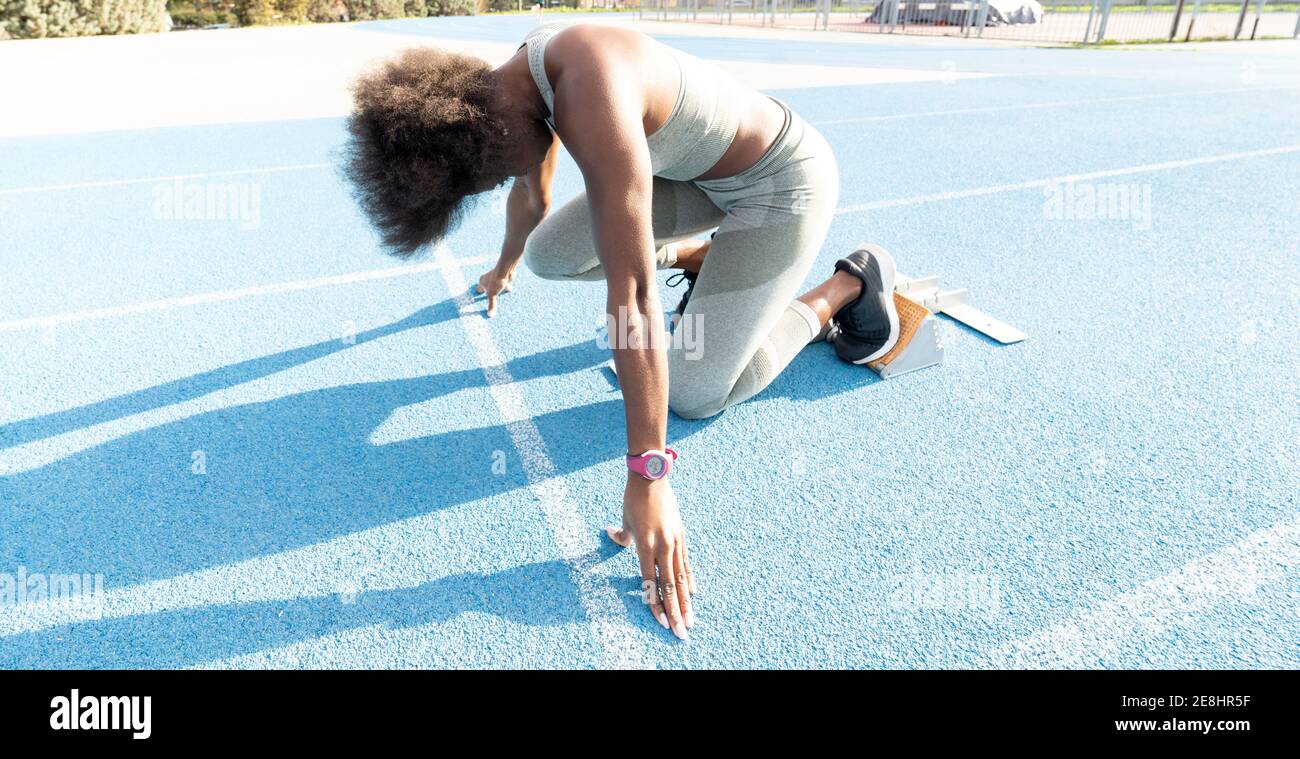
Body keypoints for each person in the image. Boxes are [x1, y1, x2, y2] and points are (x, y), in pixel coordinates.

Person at [343, 23, 920, 641]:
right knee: (549, 256)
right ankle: (710, 261)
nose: (500, 180)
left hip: (781, 187)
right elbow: (532, 199)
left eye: (489, 174)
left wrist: (649, 475)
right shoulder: (510, 89)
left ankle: (847, 286)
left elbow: (636, 298)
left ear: (490, 131)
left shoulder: (587, 90)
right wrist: (506, 264)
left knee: (694, 392)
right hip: (696, 179)